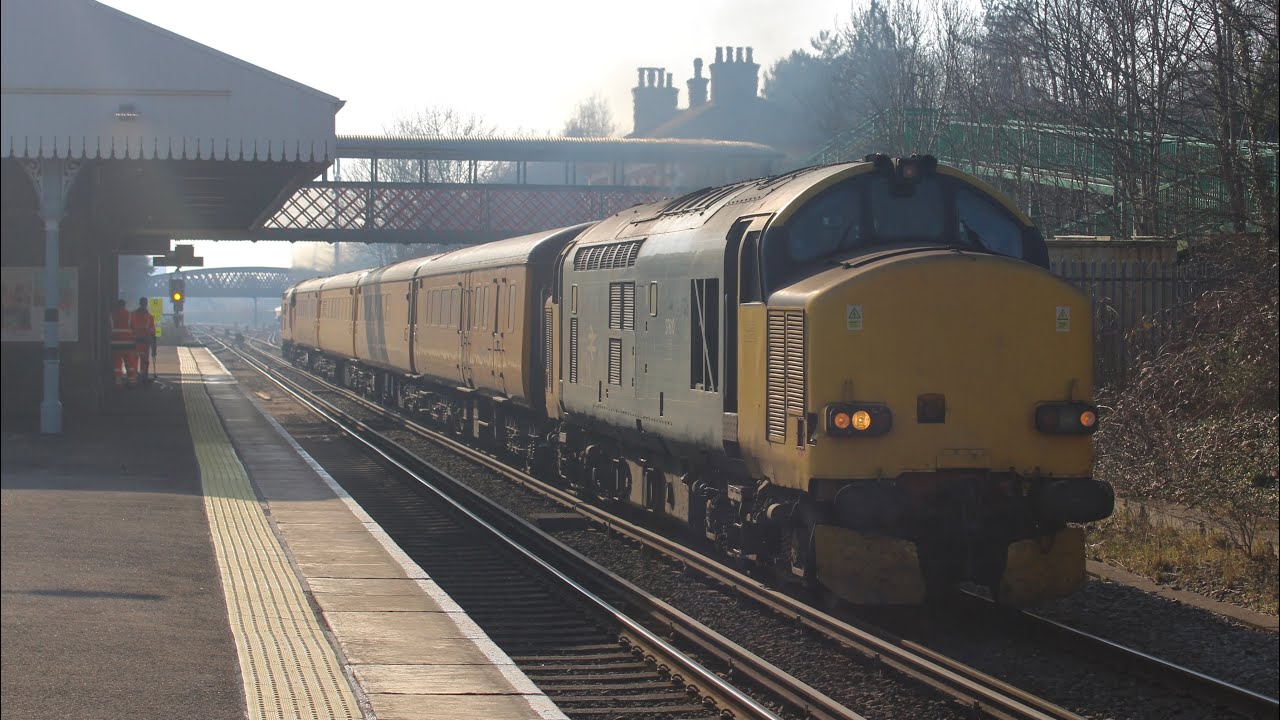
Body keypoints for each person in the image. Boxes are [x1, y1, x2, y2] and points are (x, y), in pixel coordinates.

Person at [109, 299, 137, 386]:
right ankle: (131, 381)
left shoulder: (112, 315)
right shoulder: (130, 315)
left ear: (117, 305)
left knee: (117, 365)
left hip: (116, 344)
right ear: (124, 305)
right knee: (130, 364)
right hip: (128, 344)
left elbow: (109, 329)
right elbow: (134, 328)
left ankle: (118, 383)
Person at [131, 297, 157, 383]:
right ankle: (143, 377)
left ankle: (133, 377)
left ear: (139, 303)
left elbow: (129, 328)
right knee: (144, 361)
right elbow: (153, 334)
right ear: (146, 304)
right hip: (145, 344)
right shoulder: (150, 317)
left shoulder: (132, 315)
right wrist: (154, 349)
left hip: (134, 343)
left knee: (133, 361)